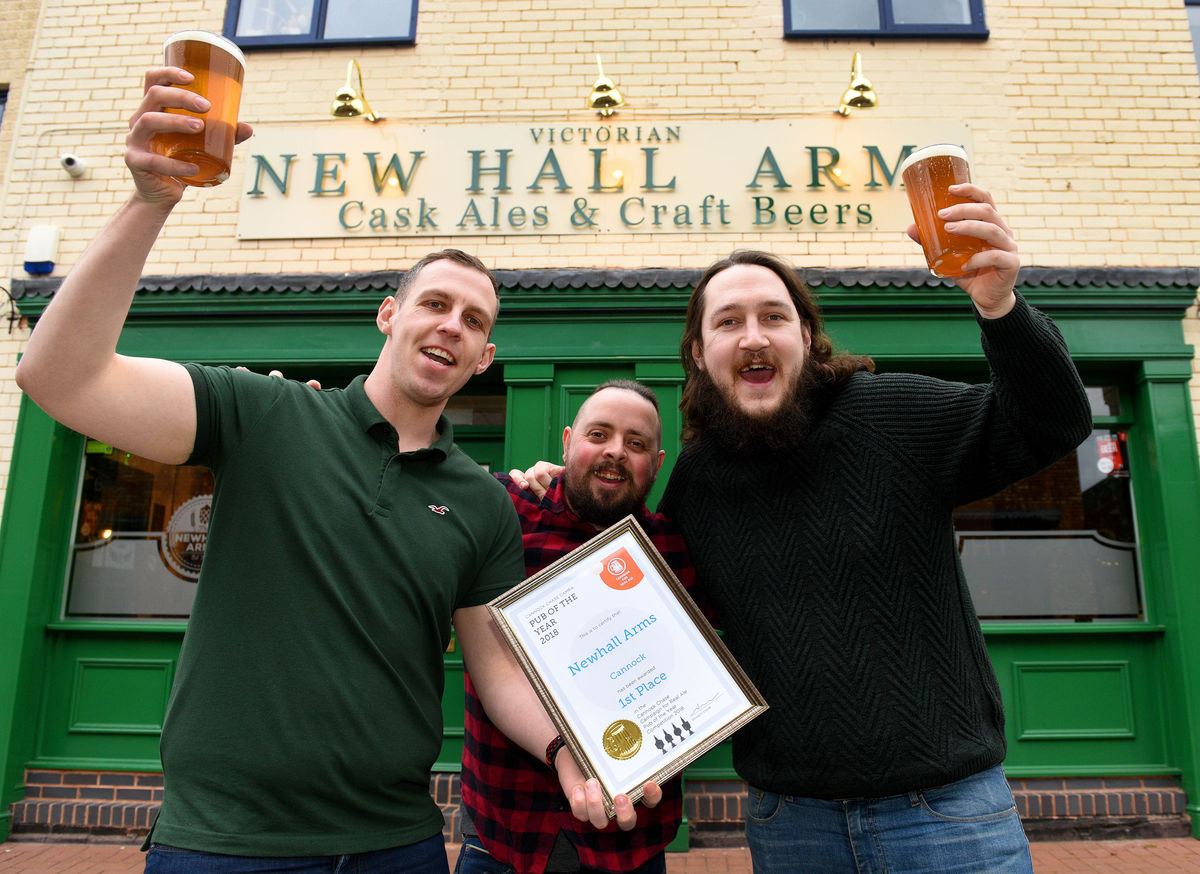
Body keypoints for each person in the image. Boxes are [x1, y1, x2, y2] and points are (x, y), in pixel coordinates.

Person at [14, 66, 642, 873]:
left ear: (485, 358)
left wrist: (564, 748)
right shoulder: (264, 415)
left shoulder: (480, 503)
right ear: (389, 314)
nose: (450, 325)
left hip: (397, 846)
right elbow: (57, 378)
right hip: (225, 846)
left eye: (474, 320)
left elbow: (495, 667)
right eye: (435, 303)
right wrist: (150, 202)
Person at [512, 186, 1093, 872]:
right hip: (791, 826)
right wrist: (556, 491)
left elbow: (1054, 422)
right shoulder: (697, 482)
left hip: (945, 816)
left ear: (806, 338)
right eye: (728, 322)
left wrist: (999, 305)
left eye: (772, 317)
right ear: (699, 354)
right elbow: (640, 606)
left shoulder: (893, 414)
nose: (753, 336)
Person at [457, 380, 693, 874]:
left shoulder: (674, 550)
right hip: (506, 832)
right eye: (598, 434)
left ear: (658, 460)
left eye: (636, 443)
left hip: (631, 843)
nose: (615, 452)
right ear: (566, 442)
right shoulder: (503, 511)